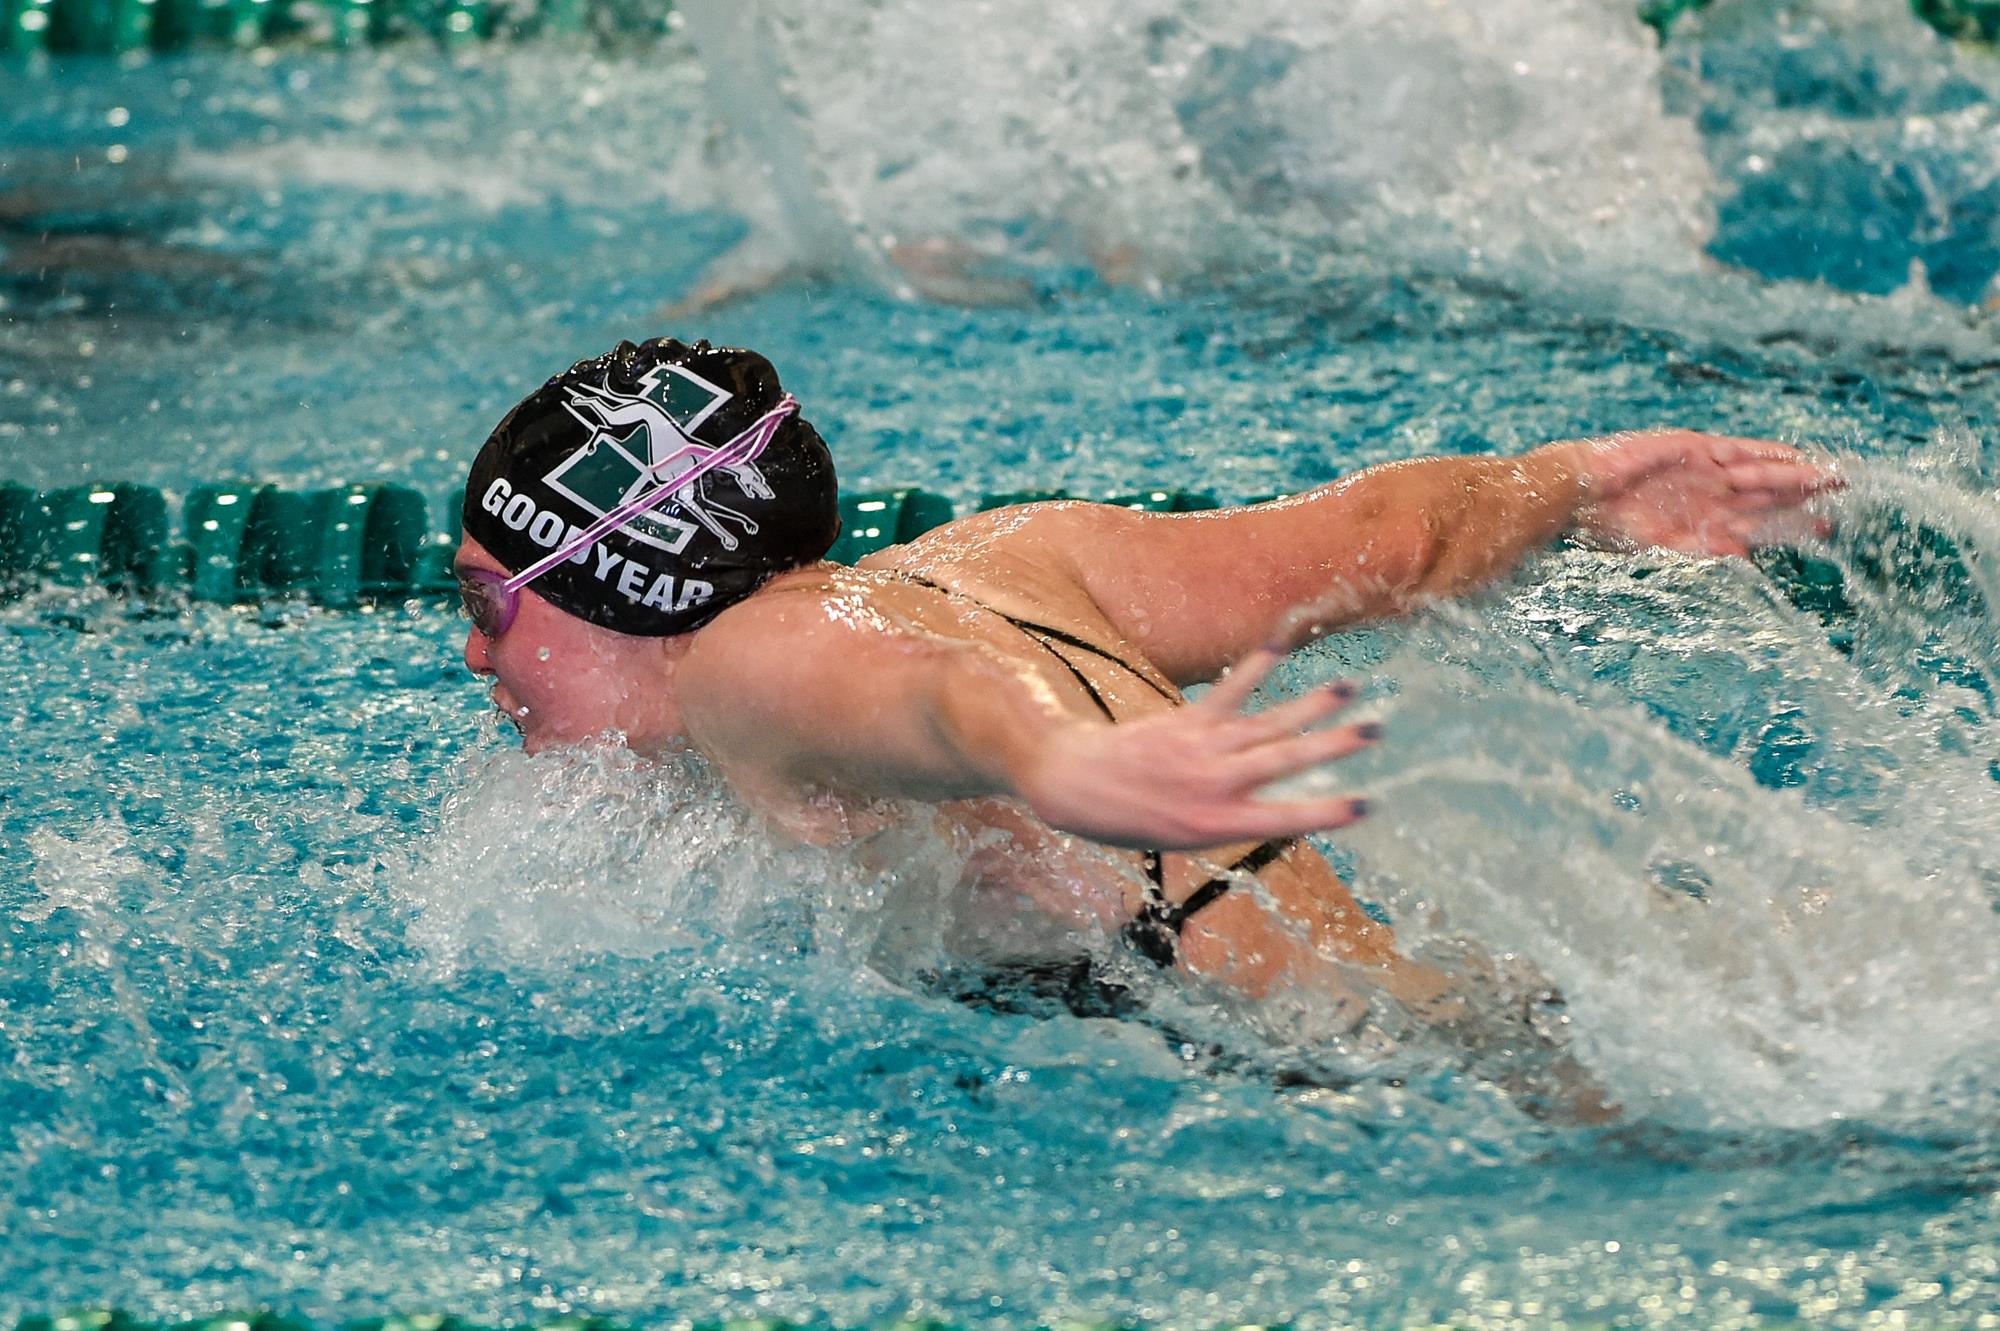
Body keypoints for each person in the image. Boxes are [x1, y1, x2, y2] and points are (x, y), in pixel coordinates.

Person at [455, 336, 1839, 1106]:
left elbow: (917, 701)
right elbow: (1383, 539)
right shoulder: (1008, 556)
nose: (475, 654)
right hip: (1469, 1024)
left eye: (490, 602)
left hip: (1360, 1096)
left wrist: (1056, 762)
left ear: (623, 585)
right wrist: (1581, 482)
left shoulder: (741, 665)